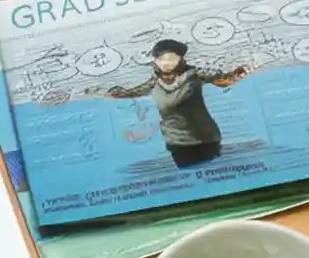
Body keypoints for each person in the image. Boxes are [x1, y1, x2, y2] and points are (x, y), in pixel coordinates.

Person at [90, 39, 250, 168]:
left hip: (205, 138)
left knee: (214, 170)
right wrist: (115, 94)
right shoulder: (155, 82)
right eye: (161, 59)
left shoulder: (194, 74)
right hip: (176, 141)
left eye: (171, 58)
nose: (165, 63)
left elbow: (221, 80)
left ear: (181, 59)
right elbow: (135, 92)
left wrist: (236, 75)